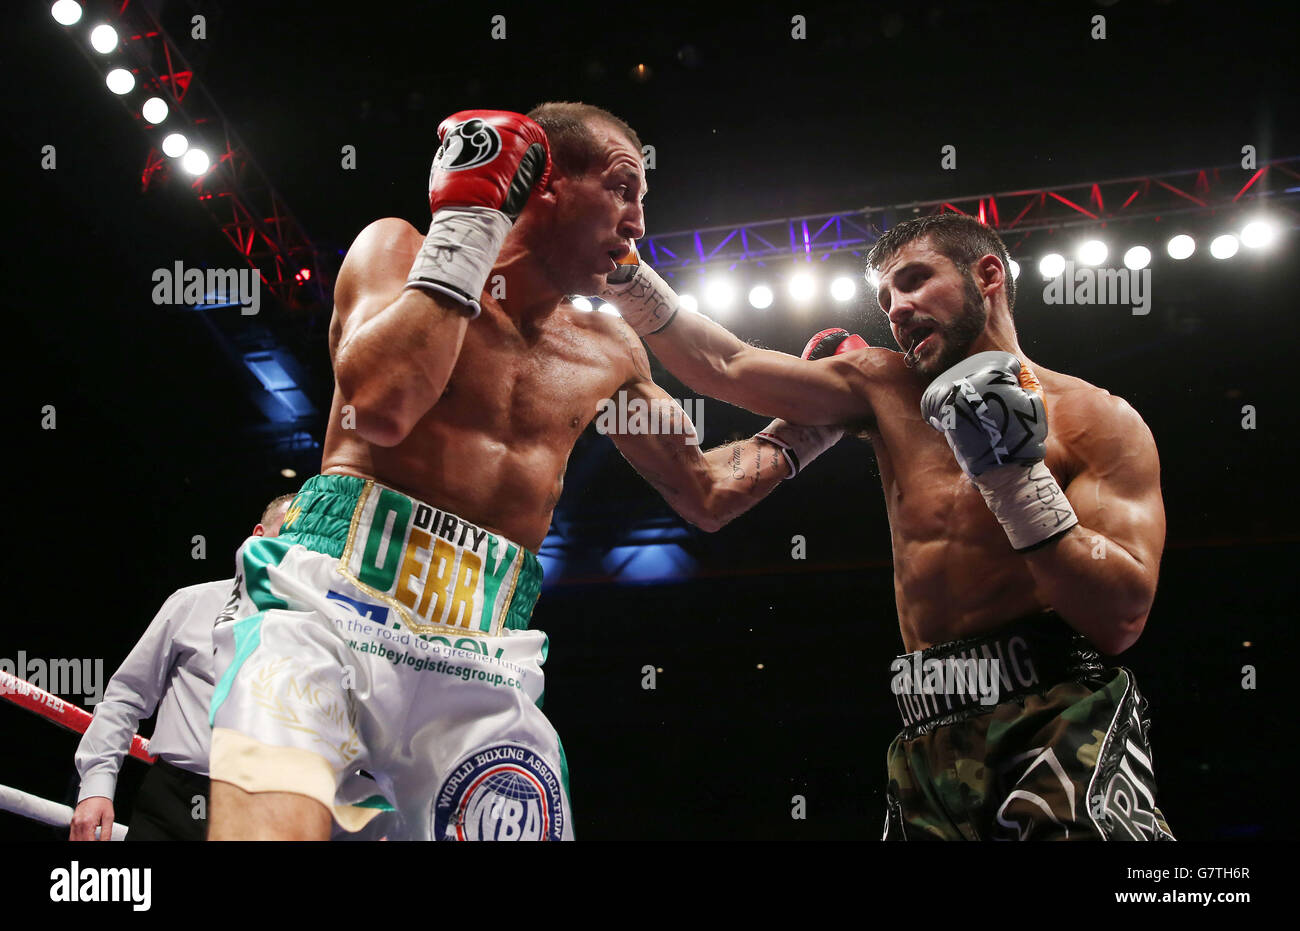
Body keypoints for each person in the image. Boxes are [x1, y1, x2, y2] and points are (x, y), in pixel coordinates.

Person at [206, 103, 841, 841]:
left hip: (482, 651)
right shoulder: (399, 252)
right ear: (543, 180)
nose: (638, 222)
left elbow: (704, 491)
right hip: (327, 610)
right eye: (622, 188)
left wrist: (810, 428)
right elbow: (381, 405)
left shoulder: (609, 349)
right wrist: (470, 224)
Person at [610, 211, 1174, 840]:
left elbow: (1120, 616)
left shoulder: (1098, 420)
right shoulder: (883, 385)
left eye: (913, 281)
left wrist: (1015, 478)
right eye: (885, 297)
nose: (896, 308)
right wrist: (626, 276)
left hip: (1056, 714)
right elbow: (727, 365)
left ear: (987, 275)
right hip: (925, 730)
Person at [70, 495, 293, 841]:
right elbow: (125, 698)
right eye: (288, 532)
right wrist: (97, 785)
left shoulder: (321, 635)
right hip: (172, 801)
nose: (295, 549)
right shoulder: (193, 603)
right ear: (259, 535)